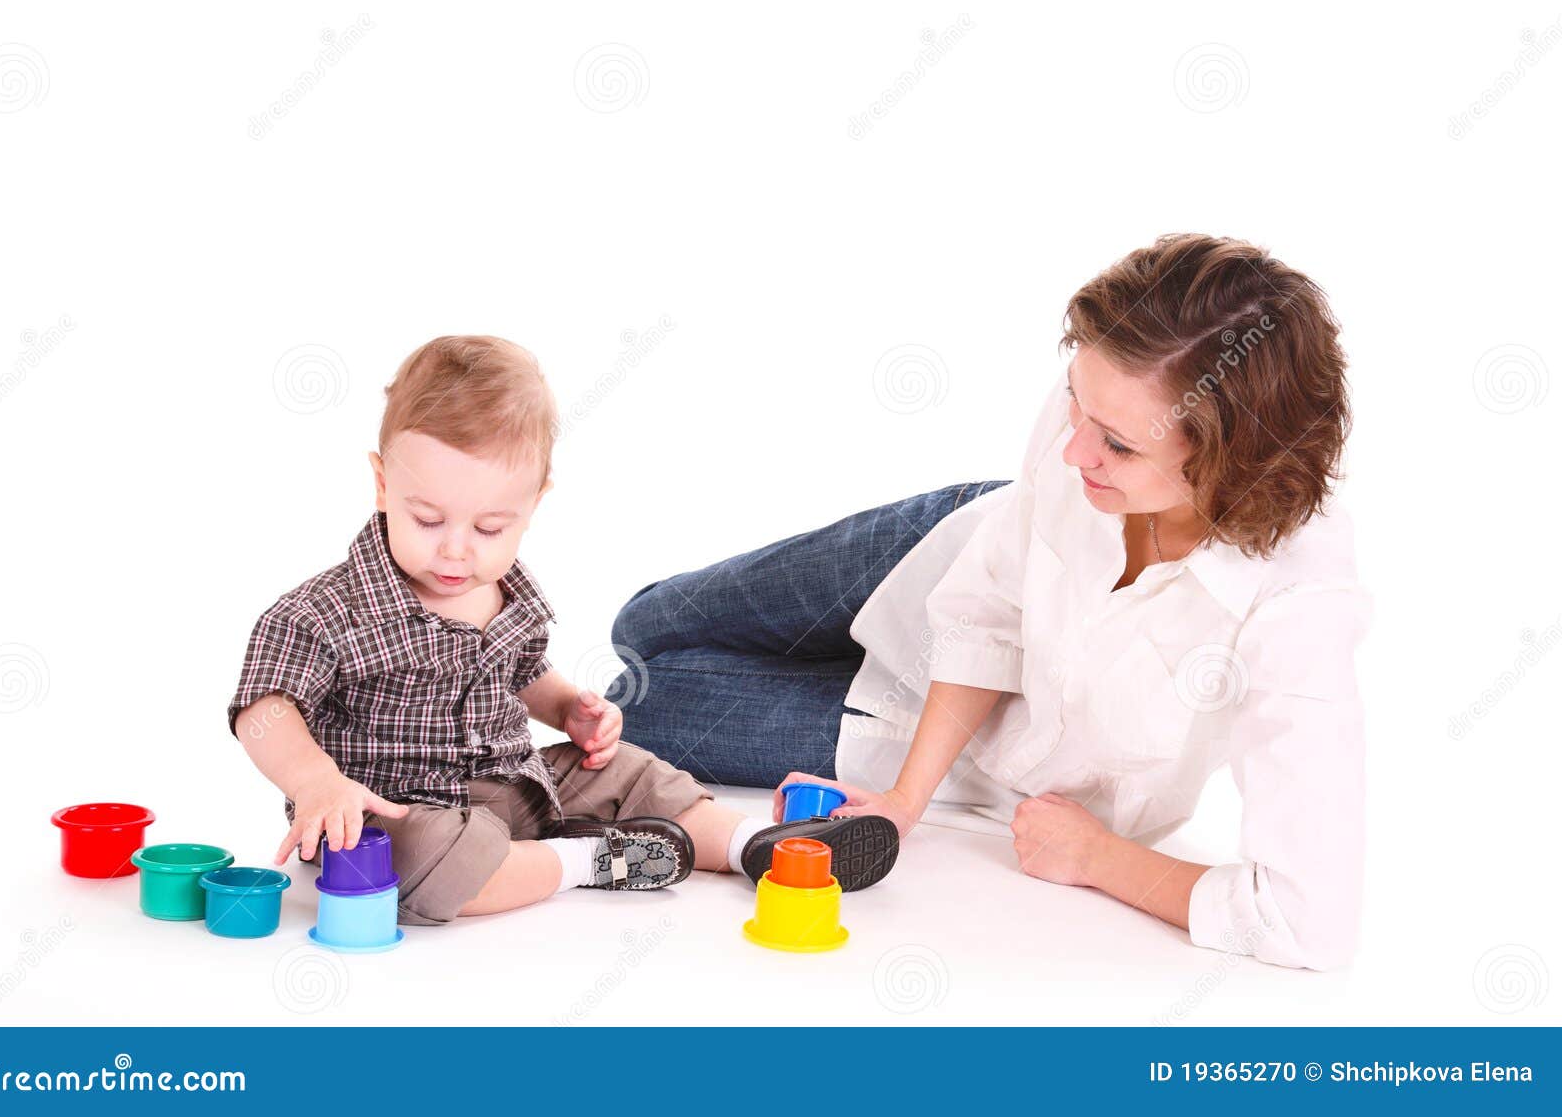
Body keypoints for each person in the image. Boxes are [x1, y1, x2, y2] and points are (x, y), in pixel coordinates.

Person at [609, 235, 1369, 970]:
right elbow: (988, 608)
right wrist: (905, 801)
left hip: (952, 745)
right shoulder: (1098, 423)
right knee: (642, 626)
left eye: (1118, 446)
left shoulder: (1298, 609)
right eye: (1076, 405)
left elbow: (1308, 924)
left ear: (1233, 462)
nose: (1074, 455)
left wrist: (1103, 860)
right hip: (940, 554)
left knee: (635, 701)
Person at [227, 335, 897, 928]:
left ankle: (758, 844)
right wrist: (315, 781)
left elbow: (522, 675)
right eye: (427, 518)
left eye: (490, 527)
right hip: (395, 814)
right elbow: (266, 706)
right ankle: (591, 861)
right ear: (381, 484)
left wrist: (566, 708)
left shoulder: (507, 592)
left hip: (518, 784)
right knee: (420, 864)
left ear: (534, 503)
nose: (457, 550)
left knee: (633, 771)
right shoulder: (323, 611)